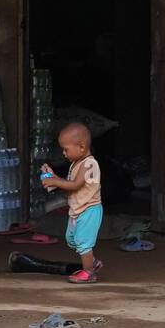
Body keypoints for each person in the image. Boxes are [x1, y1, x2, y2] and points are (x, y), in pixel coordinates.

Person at [41, 122, 103, 284]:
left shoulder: (90, 164)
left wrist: (55, 180)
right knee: (72, 239)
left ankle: (89, 272)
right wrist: (52, 179)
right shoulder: (77, 164)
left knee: (83, 241)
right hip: (78, 210)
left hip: (89, 210)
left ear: (81, 147)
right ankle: (93, 262)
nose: (63, 153)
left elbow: (75, 185)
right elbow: (70, 186)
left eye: (66, 149)